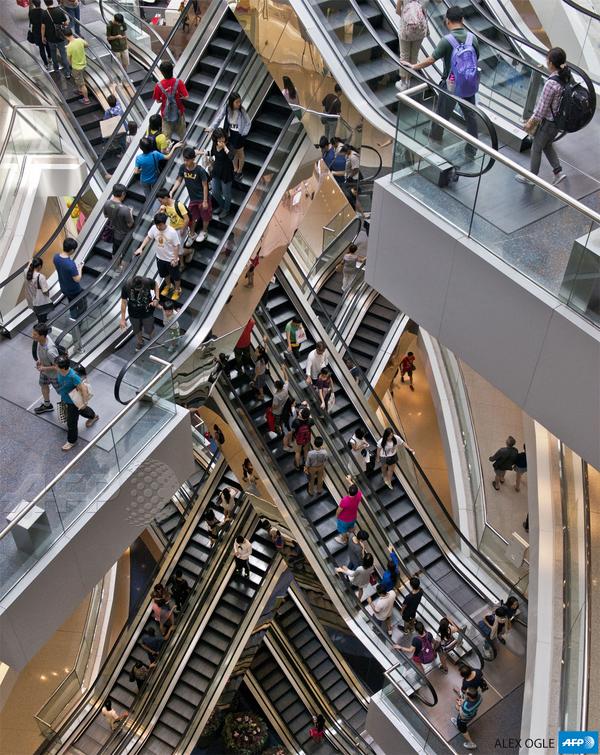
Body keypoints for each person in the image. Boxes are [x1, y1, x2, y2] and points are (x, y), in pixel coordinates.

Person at [405, 6, 479, 158]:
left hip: (451, 83)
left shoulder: (447, 40)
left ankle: (435, 139)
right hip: (468, 82)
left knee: (442, 114)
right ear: (462, 20)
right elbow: (476, 57)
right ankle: (472, 150)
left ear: (447, 21)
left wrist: (414, 66)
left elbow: (431, 59)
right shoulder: (473, 38)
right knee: (470, 116)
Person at [516, 47, 569, 186]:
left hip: (548, 123)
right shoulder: (566, 77)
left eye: (547, 60)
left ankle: (532, 177)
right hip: (558, 122)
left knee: (536, 148)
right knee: (547, 145)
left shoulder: (551, 84)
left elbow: (542, 109)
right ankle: (558, 172)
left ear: (551, 63)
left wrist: (530, 123)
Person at [134, 212, 182, 299]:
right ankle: (168, 286)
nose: (158, 227)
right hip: (160, 257)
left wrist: (175, 259)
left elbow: (176, 246)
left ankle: (177, 289)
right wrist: (141, 248)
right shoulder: (154, 228)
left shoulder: (172, 232)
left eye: (160, 225)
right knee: (164, 274)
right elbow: (148, 237)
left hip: (171, 259)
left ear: (165, 223)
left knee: (176, 276)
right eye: (157, 225)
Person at [56, 356, 99, 450]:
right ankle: (93, 416)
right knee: (82, 411)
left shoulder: (72, 376)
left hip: (73, 402)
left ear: (63, 367)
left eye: (57, 366)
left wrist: (85, 402)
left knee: (71, 422)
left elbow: (83, 388)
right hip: (66, 398)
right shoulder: (60, 372)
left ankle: (71, 441)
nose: (55, 367)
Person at [171, 147, 211, 245]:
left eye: (187, 160)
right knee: (192, 217)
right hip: (193, 199)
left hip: (202, 198)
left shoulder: (200, 170)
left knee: (205, 216)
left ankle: (204, 231)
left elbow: (205, 186)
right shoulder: (182, 168)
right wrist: (172, 191)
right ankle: (192, 234)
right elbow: (179, 180)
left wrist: (205, 201)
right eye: (184, 159)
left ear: (193, 159)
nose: (185, 162)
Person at [210, 92, 251, 181]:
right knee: (233, 152)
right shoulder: (227, 108)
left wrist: (243, 133)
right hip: (230, 133)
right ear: (231, 102)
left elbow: (248, 122)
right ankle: (235, 169)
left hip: (239, 134)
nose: (239, 104)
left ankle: (239, 171)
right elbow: (219, 118)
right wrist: (211, 127)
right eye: (236, 102)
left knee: (240, 153)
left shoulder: (241, 110)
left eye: (240, 102)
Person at [395, 0, 428, 91]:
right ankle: (409, 80)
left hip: (406, 30)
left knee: (404, 55)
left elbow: (397, 10)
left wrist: (407, 19)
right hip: (420, 29)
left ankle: (402, 82)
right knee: (414, 55)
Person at [120, 275, 159, 350]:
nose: (139, 290)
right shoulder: (126, 286)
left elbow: (155, 284)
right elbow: (124, 302)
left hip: (147, 311)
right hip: (133, 313)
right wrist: (122, 319)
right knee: (136, 329)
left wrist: (157, 298)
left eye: (140, 288)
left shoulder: (147, 281)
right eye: (137, 289)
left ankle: (152, 342)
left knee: (150, 329)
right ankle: (140, 342)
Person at [153, 60, 188, 141]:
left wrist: (165, 99)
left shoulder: (158, 86)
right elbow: (186, 97)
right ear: (172, 70)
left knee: (166, 138)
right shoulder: (178, 82)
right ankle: (184, 148)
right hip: (179, 113)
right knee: (182, 135)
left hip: (166, 116)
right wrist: (178, 97)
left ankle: (167, 151)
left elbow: (158, 101)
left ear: (162, 72)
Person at [32, 323, 60, 414]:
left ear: (43, 336)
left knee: (64, 393)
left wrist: (44, 367)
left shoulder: (51, 350)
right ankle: (47, 405)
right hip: (45, 371)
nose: (32, 336)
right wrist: (40, 361)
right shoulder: (41, 341)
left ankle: (78, 407)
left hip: (55, 376)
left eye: (35, 335)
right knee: (43, 385)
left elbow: (58, 367)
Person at [53, 238, 84, 319]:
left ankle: (73, 316)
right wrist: (80, 268)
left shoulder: (55, 257)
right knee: (82, 304)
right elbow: (77, 279)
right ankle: (79, 317)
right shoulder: (70, 264)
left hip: (63, 287)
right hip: (74, 290)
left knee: (71, 302)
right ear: (72, 250)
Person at [103, 183, 134, 259]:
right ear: (123, 193)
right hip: (124, 235)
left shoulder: (107, 203)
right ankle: (122, 270)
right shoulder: (125, 209)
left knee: (115, 251)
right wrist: (131, 213)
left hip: (113, 233)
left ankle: (114, 266)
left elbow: (106, 216)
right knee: (127, 255)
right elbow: (130, 224)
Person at [42, 0, 71, 77]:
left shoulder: (44, 13)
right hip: (60, 37)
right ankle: (67, 73)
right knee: (63, 54)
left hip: (50, 38)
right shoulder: (59, 11)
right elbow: (65, 22)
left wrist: (43, 37)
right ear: (52, 2)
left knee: (53, 53)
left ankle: (56, 69)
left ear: (45, 3)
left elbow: (43, 27)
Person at [210, 127, 234, 220]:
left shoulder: (229, 145)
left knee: (226, 193)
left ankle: (226, 209)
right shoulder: (214, 144)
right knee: (215, 191)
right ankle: (222, 205)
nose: (221, 140)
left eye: (222, 137)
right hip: (216, 170)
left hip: (226, 172)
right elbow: (212, 152)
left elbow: (231, 157)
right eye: (219, 138)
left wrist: (224, 147)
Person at [65, 28, 89, 104]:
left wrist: (71, 65)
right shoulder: (79, 40)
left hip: (76, 67)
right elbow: (87, 45)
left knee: (82, 84)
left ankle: (86, 99)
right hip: (83, 64)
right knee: (79, 79)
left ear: (66, 36)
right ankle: (79, 90)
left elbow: (68, 59)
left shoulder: (69, 47)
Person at [24, 258, 53, 322]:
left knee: (37, 312)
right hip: (40, 302)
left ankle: (41, 321)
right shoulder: (40, 277)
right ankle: (42, 325)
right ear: (39, 266)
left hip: (31, 300)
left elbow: (29, 264)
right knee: (42, 314)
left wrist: (31, 261)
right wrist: (47, 296)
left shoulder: (26, 272)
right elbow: (45, 291)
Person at [335, 479, 363, 544]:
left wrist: (337, 516)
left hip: (343, 519)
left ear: (348, 491)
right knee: (351, 526)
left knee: (343, 530)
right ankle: (350, 531)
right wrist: (349, 480)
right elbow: (355, 487)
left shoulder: (345, 500)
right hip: (353, 517)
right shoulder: (359, 494)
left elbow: (339, 510)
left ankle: (344, 539)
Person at [28, 0, 51, 68]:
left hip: (36, 32)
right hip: (45, 32)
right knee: (47, 46)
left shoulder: (31, 12)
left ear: (34, 4)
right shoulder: (44, 11)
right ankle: (50, 58)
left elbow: (31, 22)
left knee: (41, 48)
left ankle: (46, 64)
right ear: (40, 3)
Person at [271, 367, 290, 435]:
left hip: (277, 412)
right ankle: (281, 427)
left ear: (276, 387)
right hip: (284, 408)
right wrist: (284, 370)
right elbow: (287, 379)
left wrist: (271, 409)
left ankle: (278, 430)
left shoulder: (276, 396)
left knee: (277, 422)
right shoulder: (285, 388)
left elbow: (275, 406)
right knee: (281, 420)